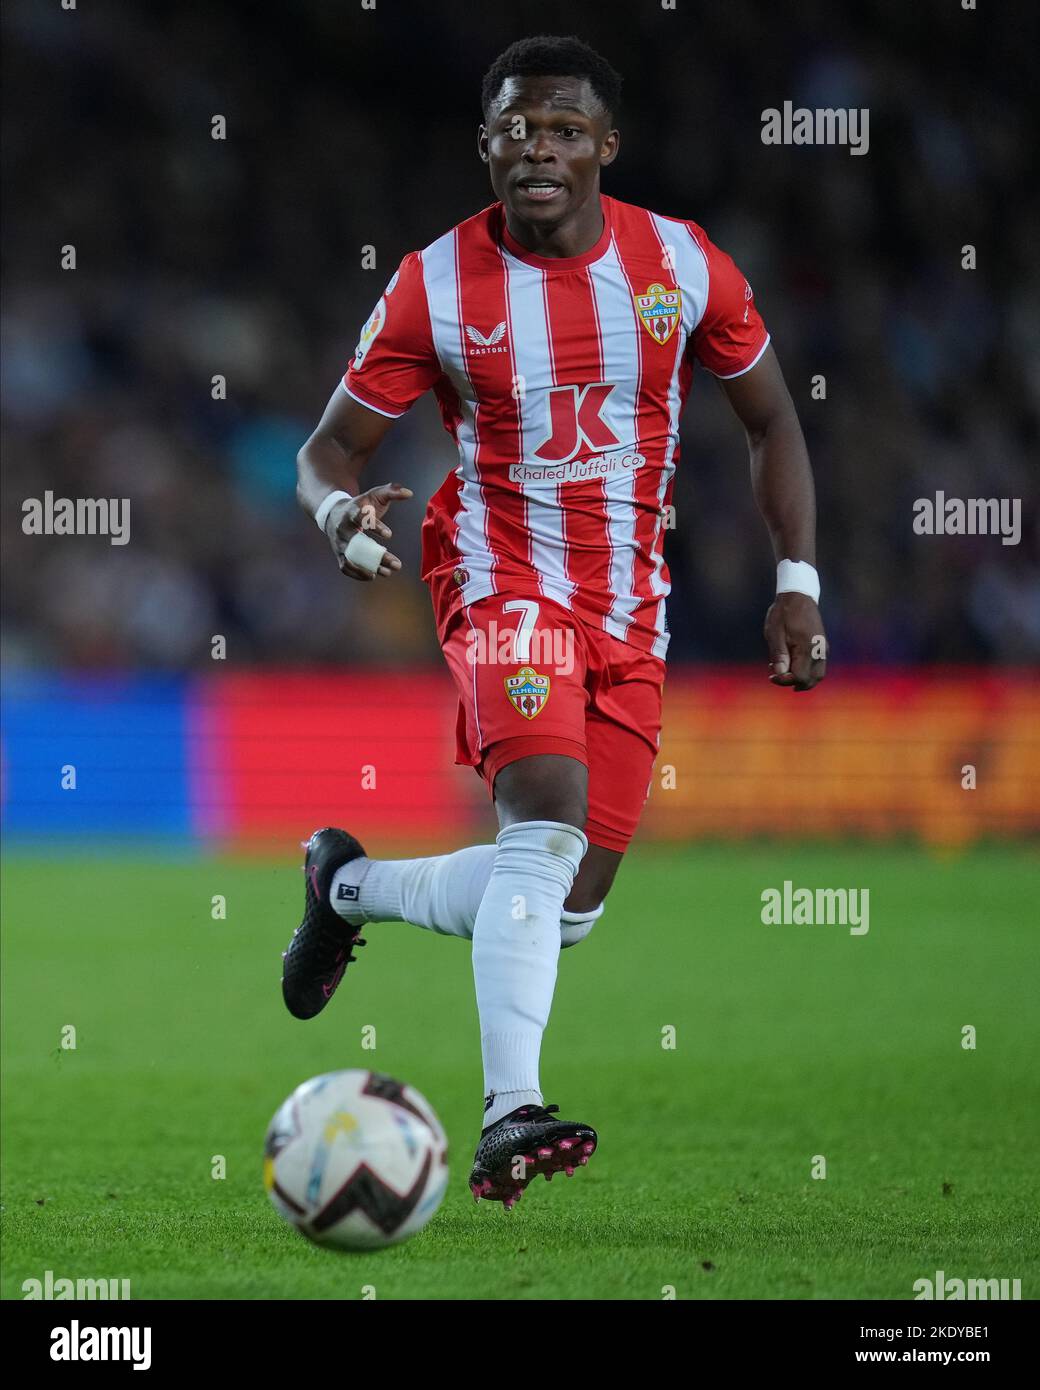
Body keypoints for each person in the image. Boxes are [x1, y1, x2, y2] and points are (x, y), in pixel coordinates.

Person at [282, 34, 826, 1210]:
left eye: (563, 130)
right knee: (542, 830)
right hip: (498, 580)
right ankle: (507, 1113)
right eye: (515, 130)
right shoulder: (433, 283)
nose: (537, 149)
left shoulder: (682, 266)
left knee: (564, 905)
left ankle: (345, 889)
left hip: (630, 609)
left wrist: (798, 579)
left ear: (603, 148)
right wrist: (337, 518)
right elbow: (326, 451)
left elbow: (771, 420)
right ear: (483, 146)